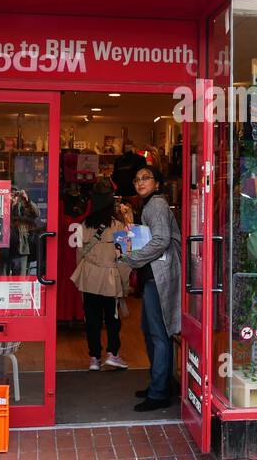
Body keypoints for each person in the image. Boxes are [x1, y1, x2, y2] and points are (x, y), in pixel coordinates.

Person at [119, 165, 182, 411]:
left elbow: (161, 240)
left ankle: (159, 393)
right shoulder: (150, 205)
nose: (140, 182)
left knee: (158, 334)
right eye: (136, 178)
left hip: (158, 276)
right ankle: (160, 382)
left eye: (146, 178)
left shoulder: (156, 204)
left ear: (157, 183)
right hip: (152, 277)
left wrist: (132, 258)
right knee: (151, 331)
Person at [69, 190, 130, 372]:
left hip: (89, 277)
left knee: (92, 320)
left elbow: (79, 255)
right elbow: (124, 259)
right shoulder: (119, 226)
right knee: (112, 319)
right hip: (110, 278)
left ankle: (94, 358)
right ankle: (112, 354)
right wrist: (125, 285)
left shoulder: (82, 225)